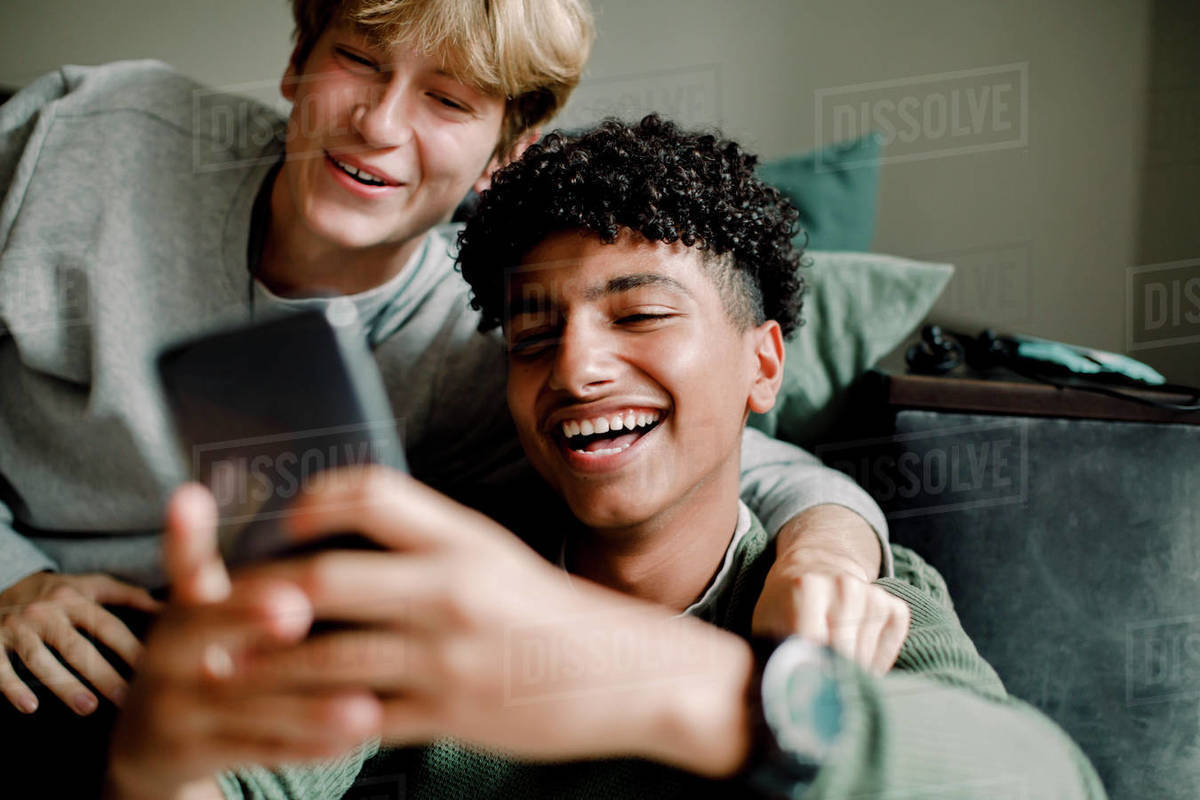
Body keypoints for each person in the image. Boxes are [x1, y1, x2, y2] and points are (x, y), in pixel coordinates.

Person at [0, 0, 894, 794]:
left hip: (165, 684)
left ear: (500, 157)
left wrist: (825, 556)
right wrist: (11, 579)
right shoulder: (91, 135)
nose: (380, 125)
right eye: (358, 60)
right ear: (298, 62)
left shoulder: (498, 355)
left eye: (448, 100)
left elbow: (742, 462)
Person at [107, 115, 1106, 800]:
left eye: (640, 314)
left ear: (764, 366)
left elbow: (1047, 781)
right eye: (533, 335)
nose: (576, 367)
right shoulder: (439, 586)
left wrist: (675, 685)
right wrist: (159, 763)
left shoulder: (857, 598)